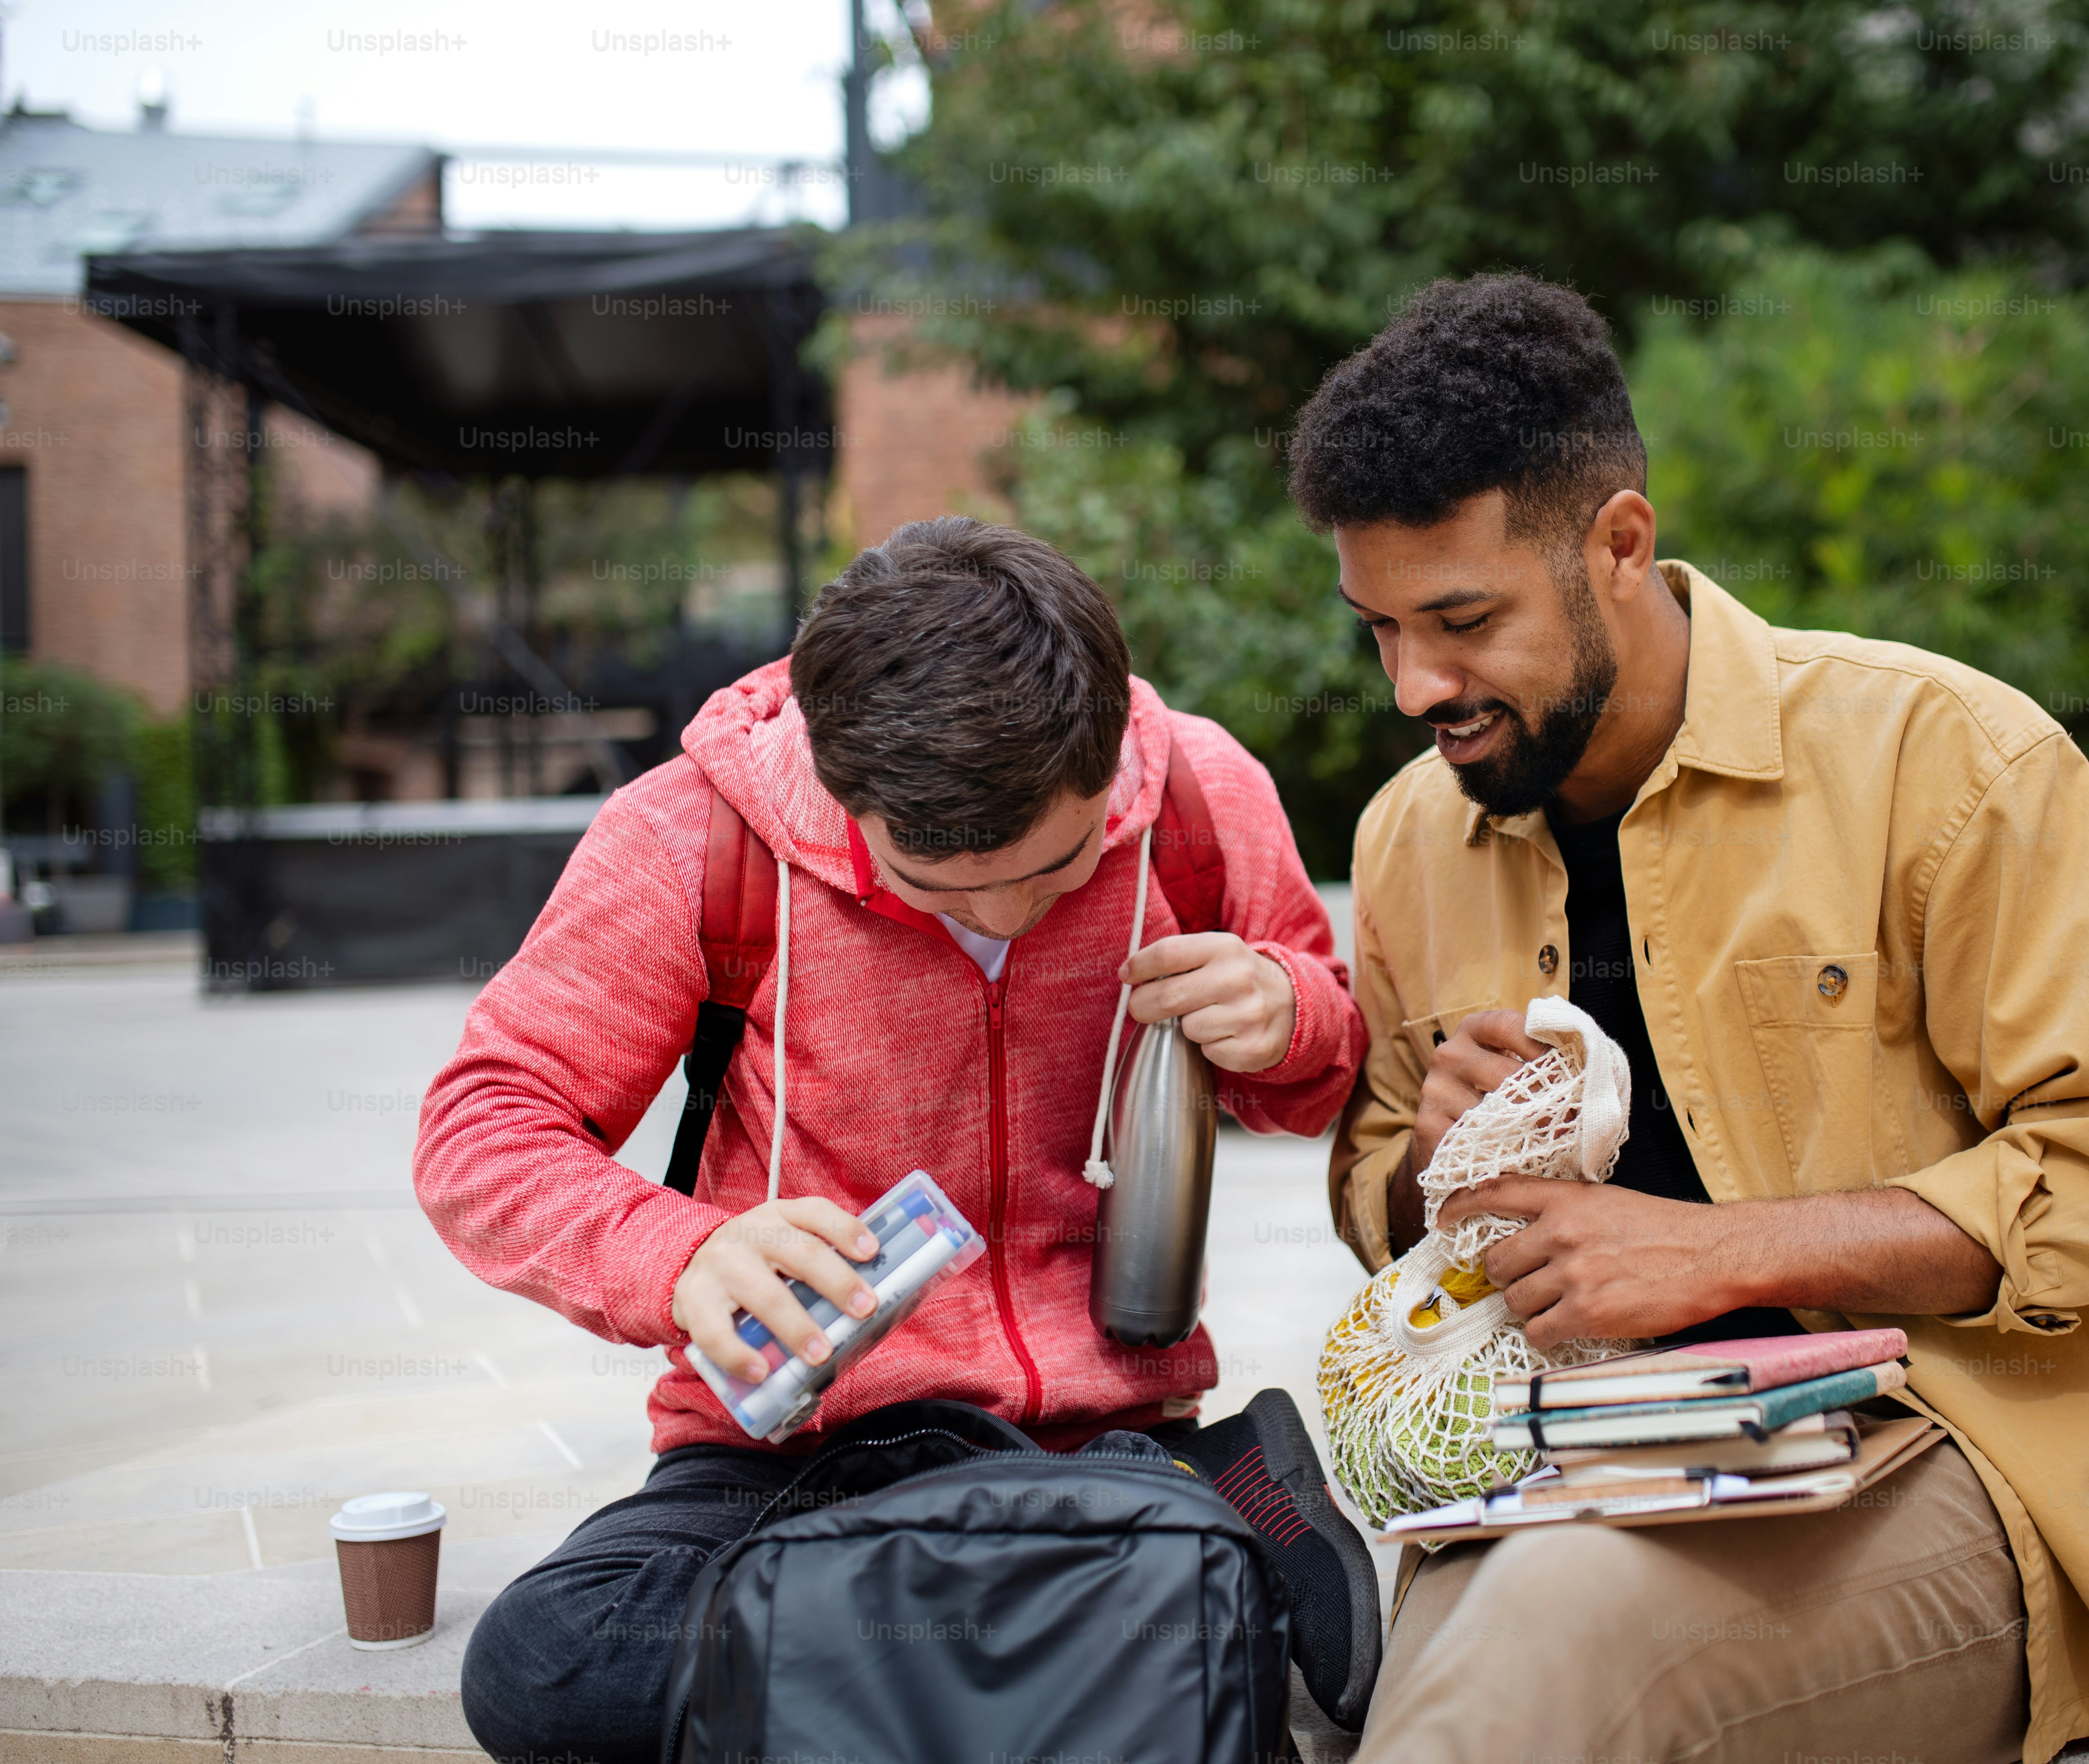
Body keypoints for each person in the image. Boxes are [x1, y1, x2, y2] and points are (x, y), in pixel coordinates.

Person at [1301, 276, 2089, 1764]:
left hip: (1937, 1442)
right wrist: (1433, 1166)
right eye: (1379, 630)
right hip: (1562, 1453)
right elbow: (1377, 1192)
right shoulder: (1410, 840)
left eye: (1464, 620)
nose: (1416, 684)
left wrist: (1716, 1255)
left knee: (1532, 1671)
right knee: (1465, 1675)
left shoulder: (1947, 756)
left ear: (1618, 545)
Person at [417, 518, 1380, 1761]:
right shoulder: (689, 838)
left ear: (1113, 759)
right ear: (840, 784)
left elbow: (1320, 1082)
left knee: (1124, 1629)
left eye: (1061, 865)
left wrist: (1290, 1012)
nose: (1009, 914)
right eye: (938, 886)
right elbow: (481, 1125)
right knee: (546, 1663)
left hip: (1101, 1436)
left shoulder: (1198, 793)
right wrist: (676, 1256)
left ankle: (1137, 1565)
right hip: (788, 1455)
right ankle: (1192, 1563)